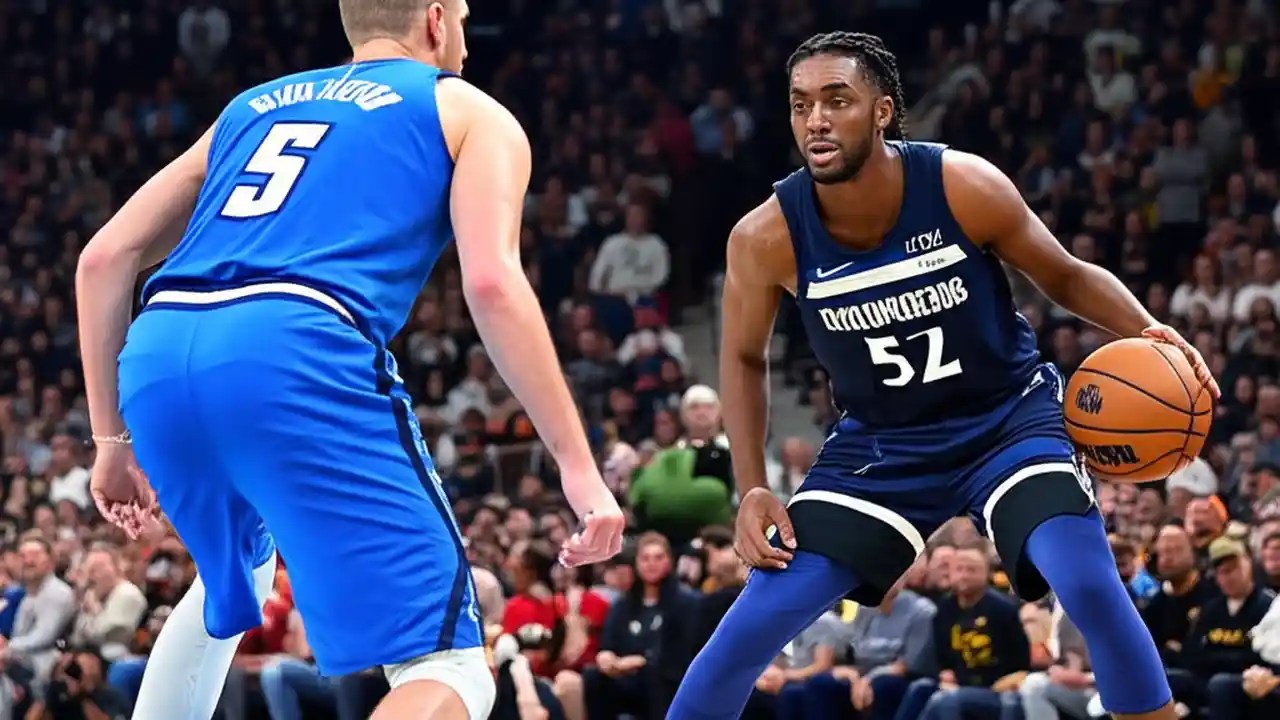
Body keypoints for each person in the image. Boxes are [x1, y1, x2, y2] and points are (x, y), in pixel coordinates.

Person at [73, 1, 624, 719]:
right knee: (448, 663)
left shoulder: (252, 105)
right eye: (463, 18)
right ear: (436, 20)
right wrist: (578, 467)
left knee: (234, 577)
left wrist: (110, 443)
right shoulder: (467, 110)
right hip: (292, 341)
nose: (464, 39)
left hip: (160, 348)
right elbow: (491, 284)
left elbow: (103, 260)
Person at [667, 31, 1219, 720]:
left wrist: (1149, 330)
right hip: (882, 447)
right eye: (801, 104)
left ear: (883, 111)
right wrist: (752, 485)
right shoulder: (764, 236)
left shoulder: (961, 185)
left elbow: (1064, 274)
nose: (816, 120)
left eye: (837, 100)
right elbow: (745, 357)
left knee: (1086, 584)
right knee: (746, 631)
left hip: (1007, 420)